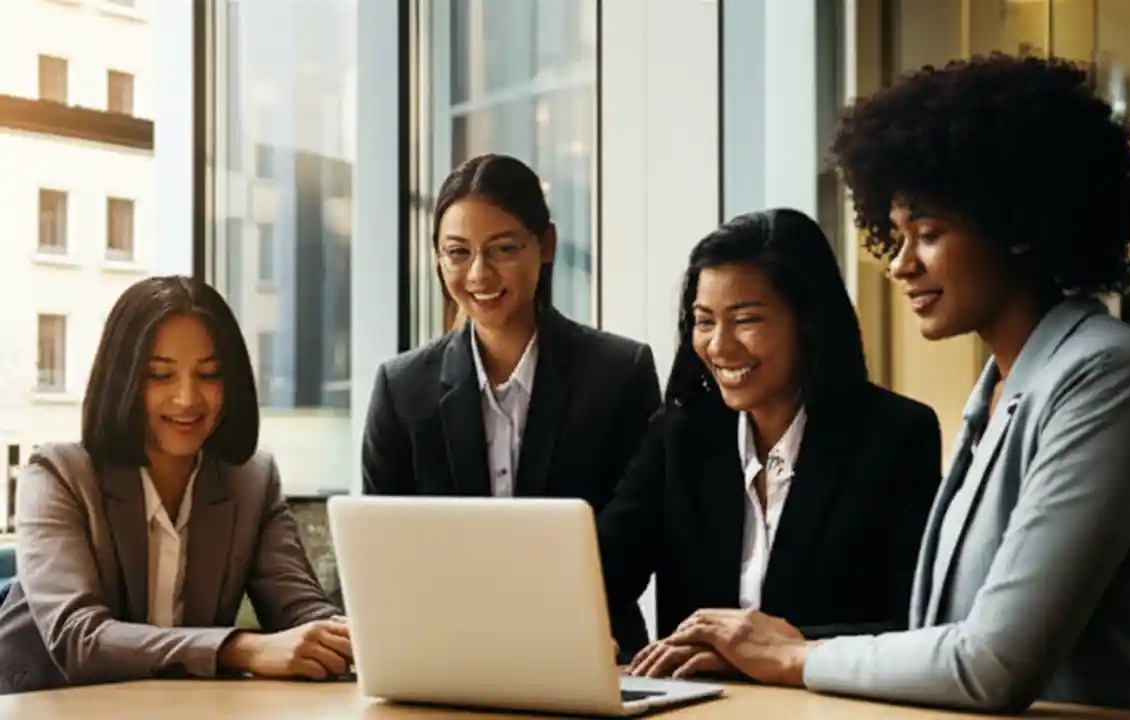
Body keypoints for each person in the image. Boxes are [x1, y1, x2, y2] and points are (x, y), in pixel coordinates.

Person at [658, 54, 1130, 718]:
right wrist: (776, 649)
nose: (900, 265)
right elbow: (942, 639)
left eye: (927, 234)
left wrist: (793, 657)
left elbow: (991, 666)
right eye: (894, 237)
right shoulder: (1003, 393)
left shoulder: (1106, 382)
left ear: (1014, 225)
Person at [597, 208, 942, 672]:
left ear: (809, 322)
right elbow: (600, 577)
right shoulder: (680, 435)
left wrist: (756, 653)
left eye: (746, 320)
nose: (719, 346)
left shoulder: (896, 438)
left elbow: (910, 625)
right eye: (704, 321)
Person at [361, 154, 660, 650]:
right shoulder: (402, 388)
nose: (479, 274)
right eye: (457, 253)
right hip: (444, 655)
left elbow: (632, 544)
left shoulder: (617, 374)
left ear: (545, 245)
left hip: (588, 652)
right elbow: (383, 556)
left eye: (502, 248)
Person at [0, 277, 351, 694]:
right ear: (123, 380)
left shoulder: (252, 481)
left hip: (177, 707)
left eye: (209, 374)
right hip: (38, 703)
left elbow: (299, 610)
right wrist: (241, 649)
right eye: (160, 376)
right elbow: (79, 639)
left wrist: (351, 637)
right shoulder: (58, 473)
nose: (187, 399)